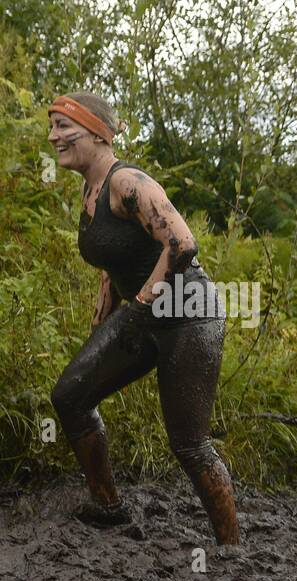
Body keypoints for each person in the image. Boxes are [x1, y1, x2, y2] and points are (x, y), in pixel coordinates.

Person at [47, 92, 239, 543]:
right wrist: (104, 318)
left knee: (189, 443)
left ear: (97, 132)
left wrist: (139, 306)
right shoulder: (90, 190)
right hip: (143, 314)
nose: (53, 137)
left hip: (190, 314)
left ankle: (231, 544)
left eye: (63, 127)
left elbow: (183, 243)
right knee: (71, 394)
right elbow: (115, 259)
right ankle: (108, 505)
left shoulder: (128, 182)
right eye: (51, 127)